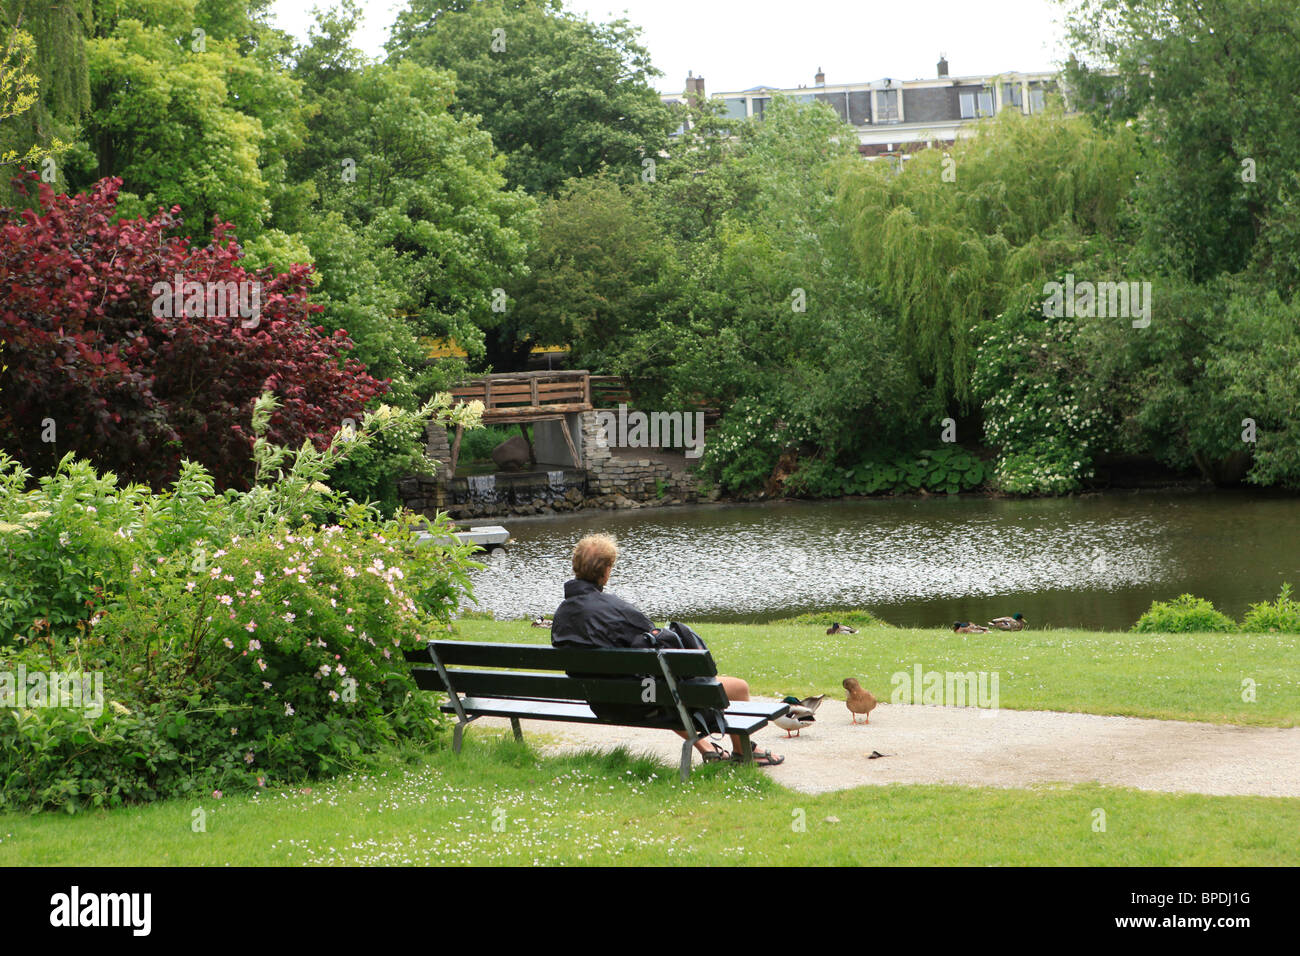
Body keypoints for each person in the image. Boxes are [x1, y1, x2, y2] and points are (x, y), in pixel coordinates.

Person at [550, 533, 784, 766]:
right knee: (736, 687)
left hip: (602, 704)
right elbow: (658, 644)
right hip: (641, 703)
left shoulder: (561, 614)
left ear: (576, 567)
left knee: (657, 688)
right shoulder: (617, 610)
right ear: (606, 570)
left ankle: (708, 750)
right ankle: (744, 751)